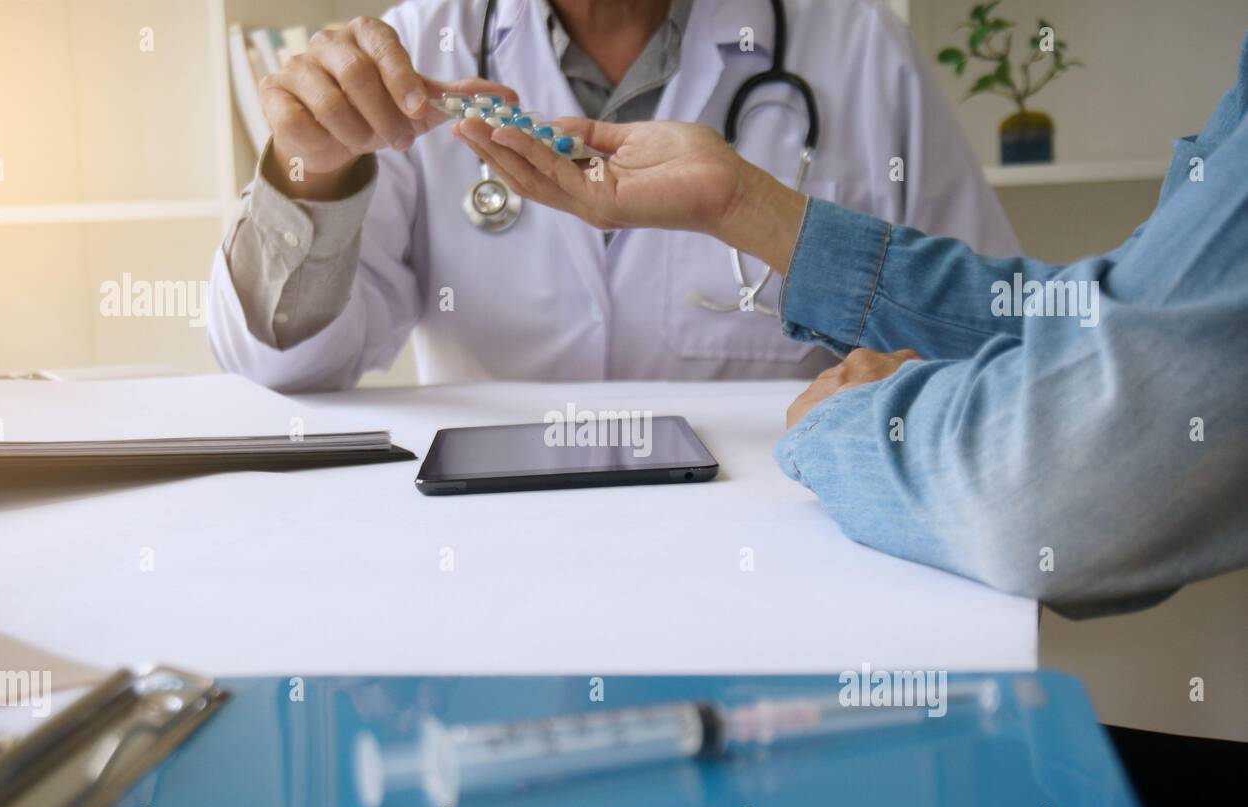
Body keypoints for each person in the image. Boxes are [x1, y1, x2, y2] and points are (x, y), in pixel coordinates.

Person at [452, 29, 1248, 616]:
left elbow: (1058, 484)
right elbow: (1102, 322)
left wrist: (859, 422)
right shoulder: (429, 40)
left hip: (773, 598)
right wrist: (748, 208)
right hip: (520, 589)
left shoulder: (864, 43)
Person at [206, 0, 1018, 393]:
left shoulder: (860, 47)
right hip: (497, 559)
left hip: (771, 559)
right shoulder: (418, 45)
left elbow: (990, 337)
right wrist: (309, 176)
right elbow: (289, 364)